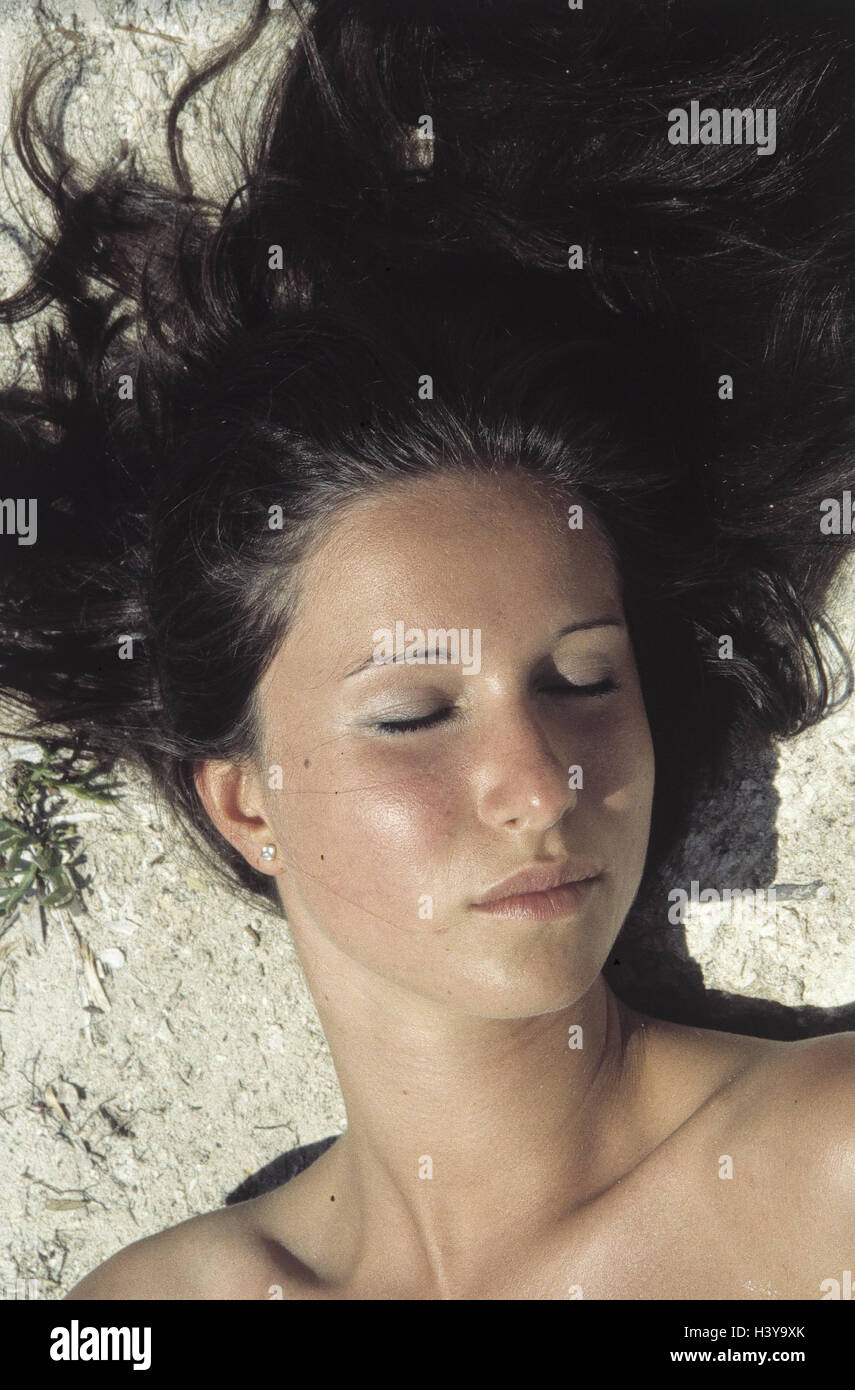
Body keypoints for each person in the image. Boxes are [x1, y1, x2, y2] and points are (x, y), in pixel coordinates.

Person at [0, 0, 852, 1299]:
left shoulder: (822, 1176)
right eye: (412, 710)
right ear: (247, 801)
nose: (539, 782)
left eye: (581, 678)